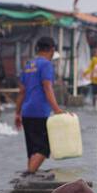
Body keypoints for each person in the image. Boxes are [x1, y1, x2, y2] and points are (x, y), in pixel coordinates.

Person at [14, 37, 62, 174]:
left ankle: (29, 175)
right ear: (52, 49)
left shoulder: (29, 65)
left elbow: (21, 91)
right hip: (39, 112)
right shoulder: (46, 64)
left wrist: (17, 113)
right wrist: (57, 110)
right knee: (45, 148)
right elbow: (47, 87)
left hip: (26, 112)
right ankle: (28, 175)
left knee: (33, 150)